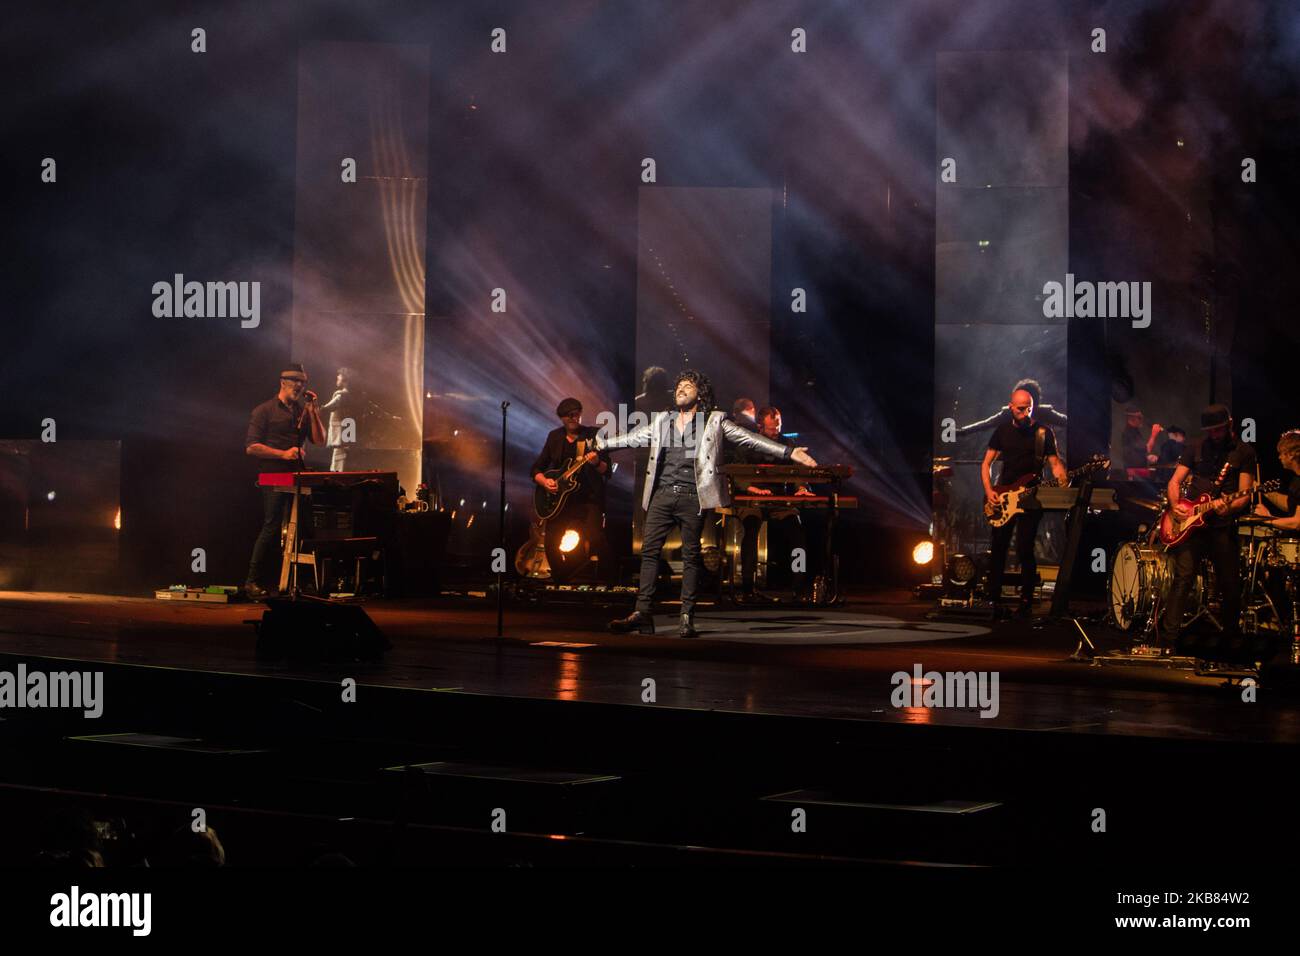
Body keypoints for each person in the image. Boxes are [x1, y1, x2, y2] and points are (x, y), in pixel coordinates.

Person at [597, 370, 816, 638]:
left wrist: (789, 451)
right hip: (662, 494)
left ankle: (686, 616)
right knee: (649, 552)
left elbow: (749, 439)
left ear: (699, 393)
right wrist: (604, 444)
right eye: (679, 385)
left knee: (691, 556)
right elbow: (634, 438)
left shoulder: (714, 421)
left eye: (687, 386)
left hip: (693, 496)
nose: (680, 389)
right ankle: (642, 612)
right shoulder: (663, 420)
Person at [1162, 404, 1256, 650]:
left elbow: (1245, 493)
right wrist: (1174, 506)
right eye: (1211, 431)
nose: (1215, 435)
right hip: (1191, 522)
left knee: (1229, 583)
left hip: (1221, 524)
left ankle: (1230, 640)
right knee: (1183, 578)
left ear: (1230, 424)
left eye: (1219, 430)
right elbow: (1174, 481)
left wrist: (1232, 506)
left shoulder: (1243, 452)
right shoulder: (1195, 447)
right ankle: (1169, 639)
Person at [980, 386, 1069, 619]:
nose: (1024, 412)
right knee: (998, 546)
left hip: (1031, 498)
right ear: (1011, 407)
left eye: (1028, 408)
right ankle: (993, 597)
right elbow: (986, 463)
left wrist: (1061, 477)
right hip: (1004, 496)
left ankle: (1026, 600)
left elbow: (1054, 462)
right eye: (1020, 408)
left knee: (1024, 549)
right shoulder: (1001, 431)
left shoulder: (1043, 433)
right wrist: (990, 490)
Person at [243, 364, 325, 599]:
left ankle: (302, 583)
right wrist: (282, 454)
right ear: (283, 382)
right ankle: (252, 582)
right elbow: (251, 447)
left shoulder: (301, 411)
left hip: (297, 474)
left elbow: (319, 440)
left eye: (302, 384)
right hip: (273, 474)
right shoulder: (264, 410)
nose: (299, 387)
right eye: (295, 382)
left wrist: (313, 411)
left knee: (305, 527)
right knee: (271, 526)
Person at [529, 398, 613, 584]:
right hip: (561, 500)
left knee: (596, 538)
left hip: (588, 498)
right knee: (551, 542)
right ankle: (564, 579)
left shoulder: (593, 435)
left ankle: (608, 581)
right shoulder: (554, 437)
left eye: (576, 413)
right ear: (562, 418)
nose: (573, 418)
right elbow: (536, 469)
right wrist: (545, 482)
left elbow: (607, 471)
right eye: (569, 416)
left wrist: (596, 462)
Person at [319, 367, 354, 472]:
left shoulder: (341, 395)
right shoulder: (349, 395)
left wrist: (320, 408)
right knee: (343, 454)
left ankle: (336, 475)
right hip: (348, 429)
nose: (337, 377)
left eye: (339, 375)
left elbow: (330, 407)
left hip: (341, 432)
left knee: (339, 455)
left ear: (344, 378)